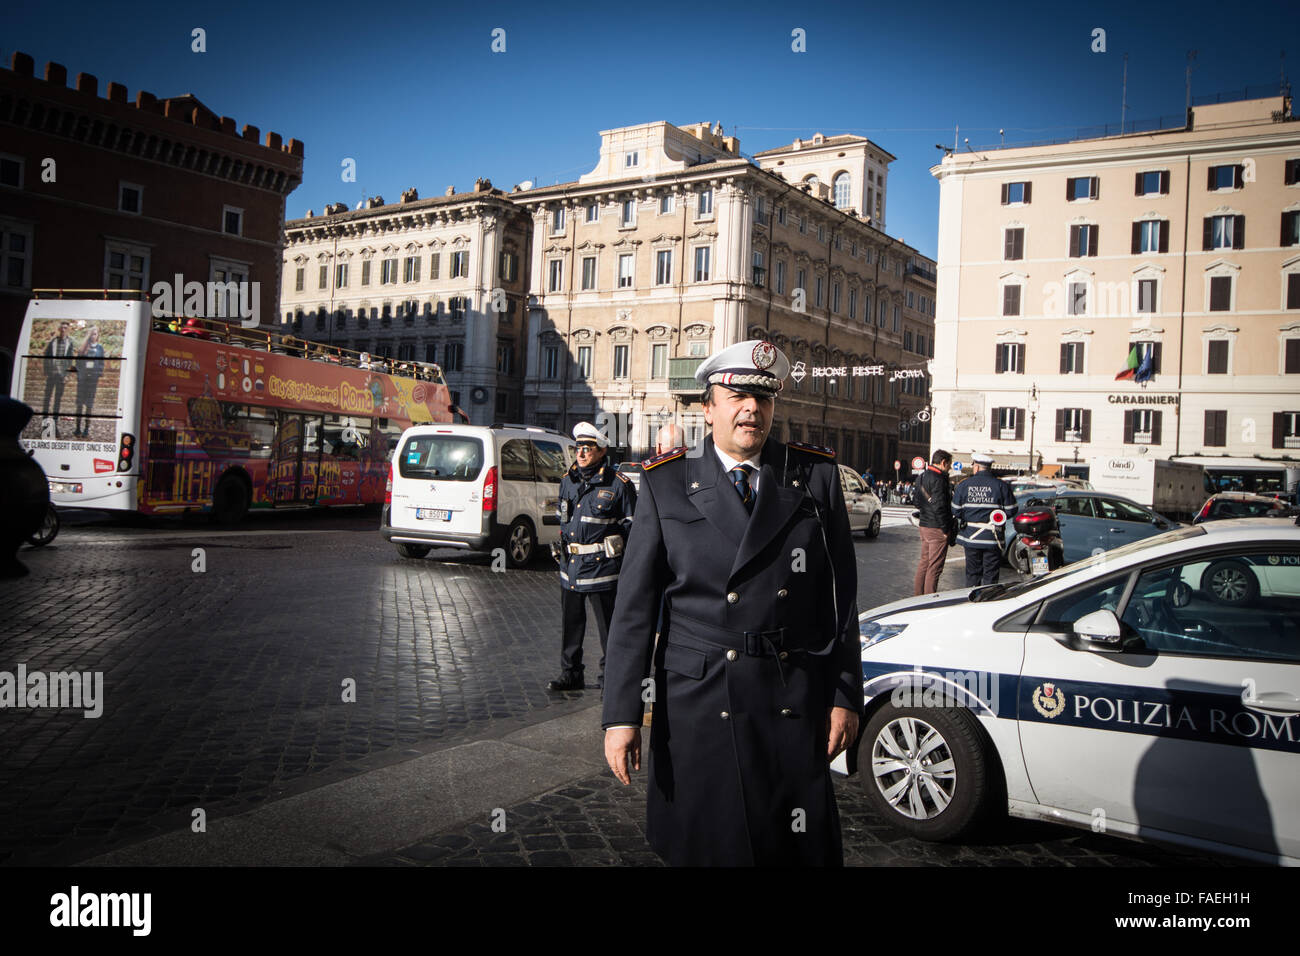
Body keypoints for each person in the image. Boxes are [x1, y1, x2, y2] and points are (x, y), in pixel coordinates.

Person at [601, 340, 861, 866]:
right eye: (738, 395)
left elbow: (842, 602)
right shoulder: (665, 481)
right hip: (699, 701)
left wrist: (845, 694)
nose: (752, 409)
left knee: (789, 849)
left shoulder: (814, 477)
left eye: (764, 399)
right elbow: (633, 611)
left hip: (789, 695)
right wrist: (621, 715)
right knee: (709, 844)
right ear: (709, 407)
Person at [546, 422, 637, 692]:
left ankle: (610, 679)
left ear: (601, 451)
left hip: (603, 569)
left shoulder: (618, 484)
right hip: (571, 566)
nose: (581, 453)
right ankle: (570, 673)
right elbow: (563, 521)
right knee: (570, 626)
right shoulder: (567, 481)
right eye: (578, 448)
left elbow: (633, 528)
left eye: (588, 448)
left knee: (609, 630)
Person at [953, 453, 1017, 586]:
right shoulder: (1001, 485)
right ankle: (988, 601)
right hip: (993, 538)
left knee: (972, 574)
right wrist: (997, 517)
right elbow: (1012, 510)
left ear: (976, 467)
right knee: (991, 575)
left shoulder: (964, 485)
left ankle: (971, 601)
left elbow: (955, 510)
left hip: (971, 537)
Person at [912, 449, 955, 595]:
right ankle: (929, 599)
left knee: (924, 562)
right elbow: (940, 506)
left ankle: (918, 596)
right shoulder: (939, 479)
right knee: (935, 567)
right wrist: (945, 529)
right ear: (943, 462)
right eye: (949, 464)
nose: (950, 467)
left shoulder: (922, 477)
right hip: (936, 526)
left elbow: (916, 501)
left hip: (924, 524)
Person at [42, 322, 76, 434]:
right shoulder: (53, 342)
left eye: (65, 328)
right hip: (51, 374)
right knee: (47, 399)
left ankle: (55, 426)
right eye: (62, 328)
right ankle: (45, 426)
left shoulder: (69, 343)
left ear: (68, 330)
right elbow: (46, 357)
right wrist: (46, 371)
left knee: (57, 401)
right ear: (59, 329)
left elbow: (70, 360)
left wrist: (67, 375)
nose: (63, 330)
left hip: (61, 376)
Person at [73, 327, 105, 439]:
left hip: (93, 380)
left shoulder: (100, 348)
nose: (93, 336)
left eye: (95, 334)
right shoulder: (83, 348)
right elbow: (77, 363)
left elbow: (101, 363)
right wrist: (80, 374)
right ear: (89, 335)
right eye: (92, 334)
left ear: (98, 335)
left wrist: (98, 373)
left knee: (89, 405)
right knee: (79, 404)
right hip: (82, 380)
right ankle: (77, 428)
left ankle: (86, 429)